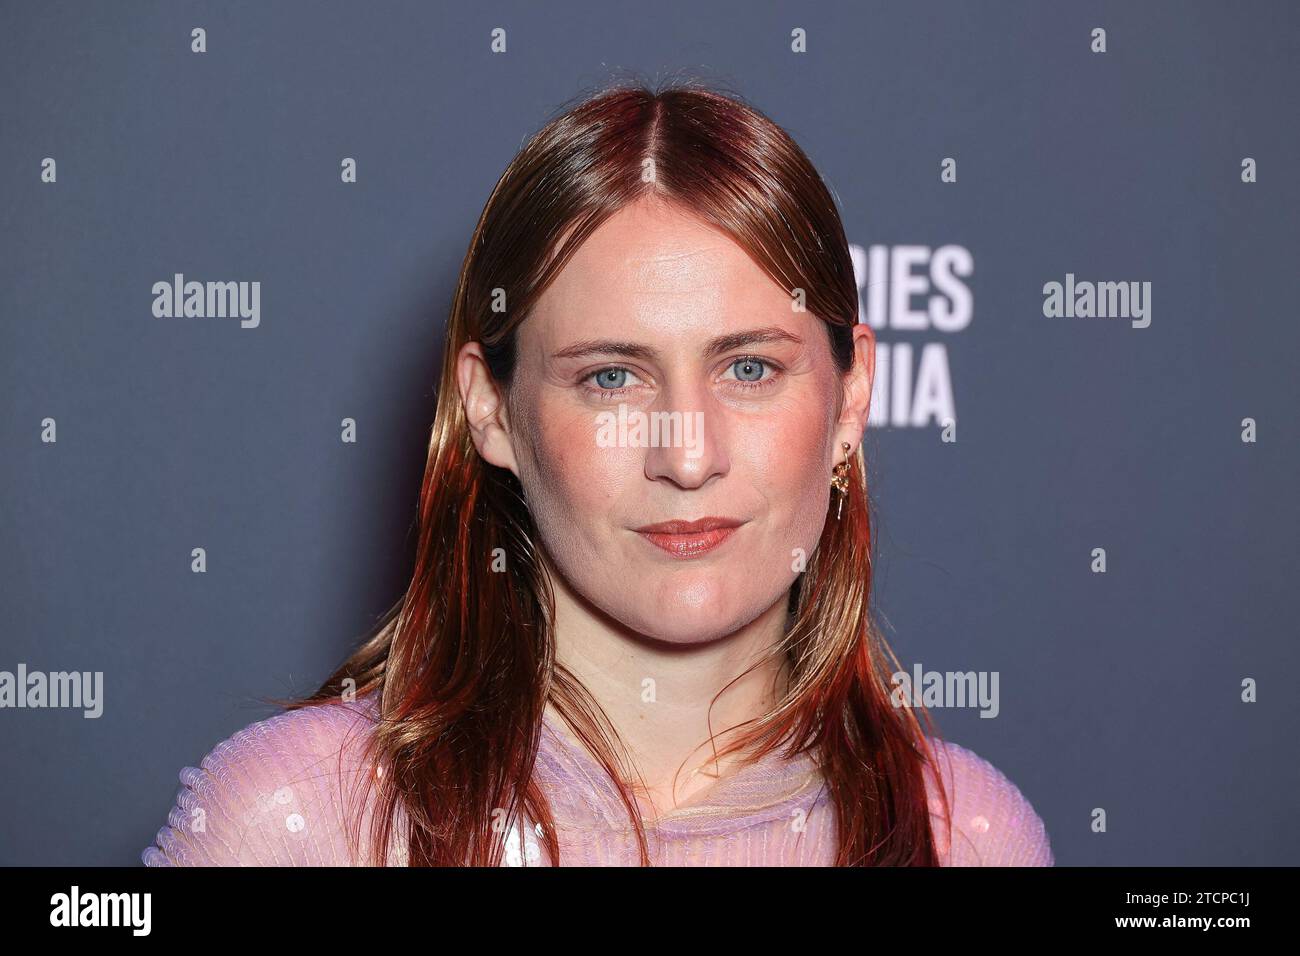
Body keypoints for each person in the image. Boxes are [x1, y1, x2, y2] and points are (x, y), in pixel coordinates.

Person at [142, 81, 1054, 867]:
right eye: (611, 378)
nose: (688, 457)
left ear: (851, 398)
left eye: (749, 369)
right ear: (490, 410)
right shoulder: (298, 823)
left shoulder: (968, 838)